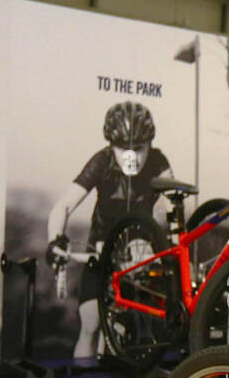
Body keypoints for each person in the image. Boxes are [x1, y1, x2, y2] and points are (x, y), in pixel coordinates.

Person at [45, 101, 171, 360]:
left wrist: (159, 234)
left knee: (146, 325)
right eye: (123, 149)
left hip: (140, 252)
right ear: (111, 146)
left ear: (150, 144)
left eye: (139, 149)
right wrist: (54, 240)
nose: (131, 156)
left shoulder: (158, 162)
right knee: (90, 323)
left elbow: (171, 205)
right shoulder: (102, 161)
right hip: (101, 249)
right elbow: (65, 204)